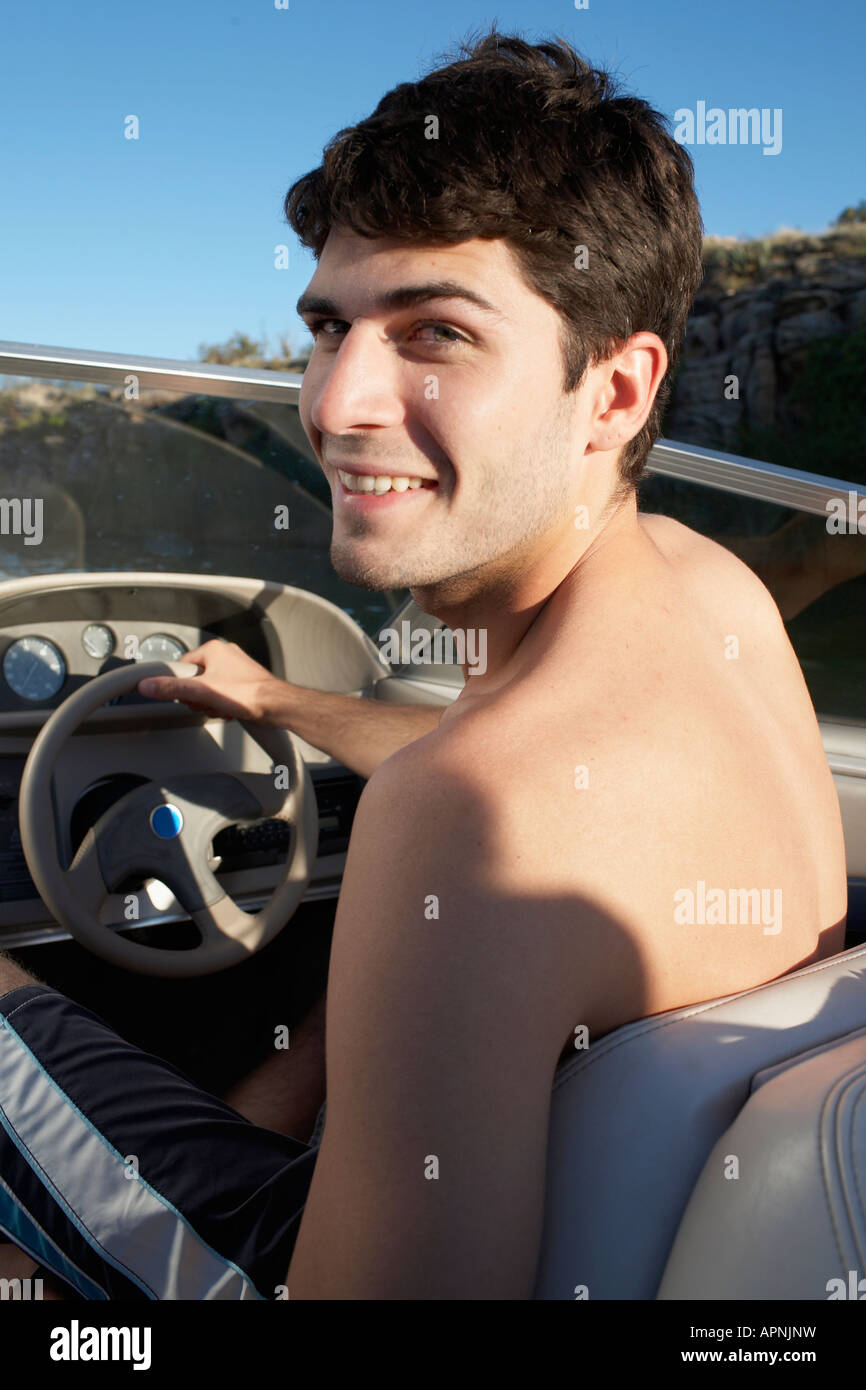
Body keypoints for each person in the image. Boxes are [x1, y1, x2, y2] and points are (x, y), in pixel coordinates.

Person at [0, 29, 847, 1301]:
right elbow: (511, 778)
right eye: (327, 327)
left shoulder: (461, 814)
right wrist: (276, 701)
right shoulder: (700, 589)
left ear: (614, 392)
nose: (337, 403)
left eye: (434, 334)